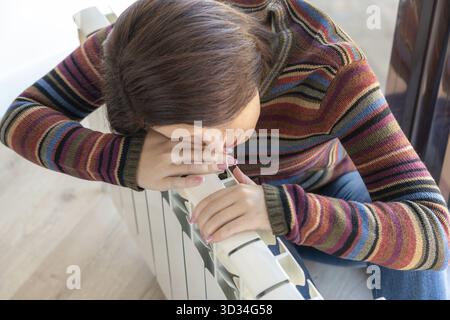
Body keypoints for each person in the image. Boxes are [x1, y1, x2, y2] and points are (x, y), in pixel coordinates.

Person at [1, 0, 448, 299]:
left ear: (253, 76)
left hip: (321, 189)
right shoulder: (142, 43)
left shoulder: (332, 68)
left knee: (412, 251)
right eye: (182, 136)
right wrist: (127, 160)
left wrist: (284, 211)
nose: (212, 152)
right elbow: (19, 117)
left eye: (222, 132)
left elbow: (435, 233)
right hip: (245, 221)